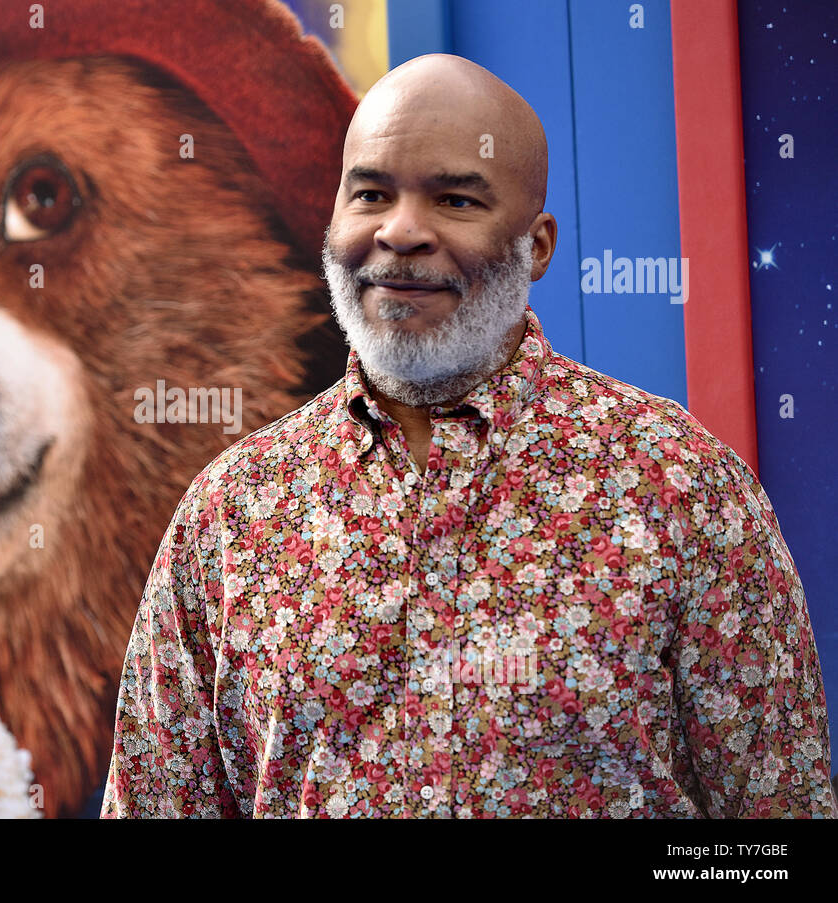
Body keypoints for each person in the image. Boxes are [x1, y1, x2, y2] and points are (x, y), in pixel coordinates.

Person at [99, 54, 836, 818]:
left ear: (538, 245)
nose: (402, 231)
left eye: (454, 198)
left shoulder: (679, 486)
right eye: (372, 194)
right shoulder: (232, 514)